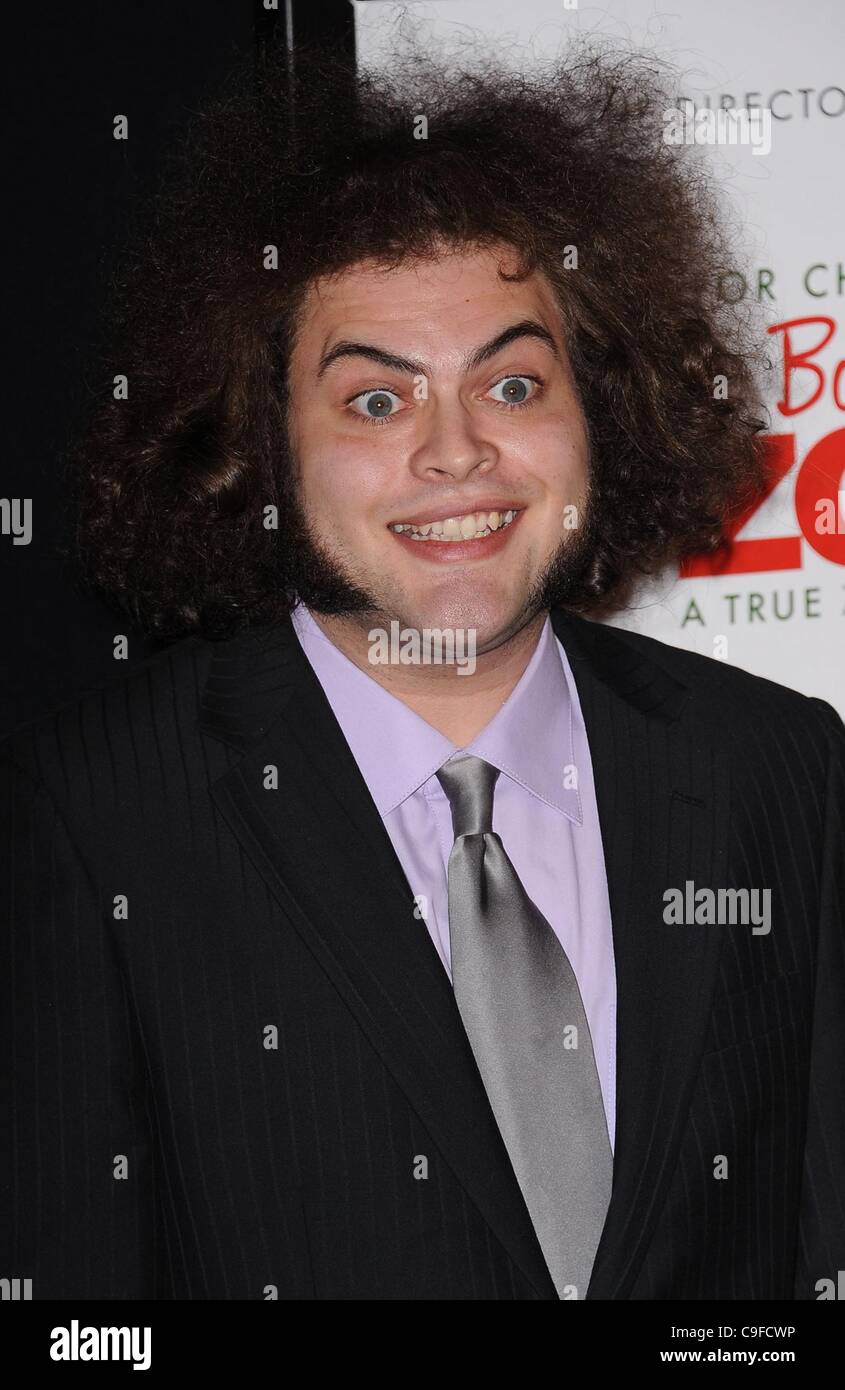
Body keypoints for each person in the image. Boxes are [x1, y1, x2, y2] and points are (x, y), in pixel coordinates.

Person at [1, 40, 843, 1301]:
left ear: (598, 414)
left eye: (511, 382)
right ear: (258, 447)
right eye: (375, 404)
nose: (456, 451)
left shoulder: (779, 765)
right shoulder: (91, 815)